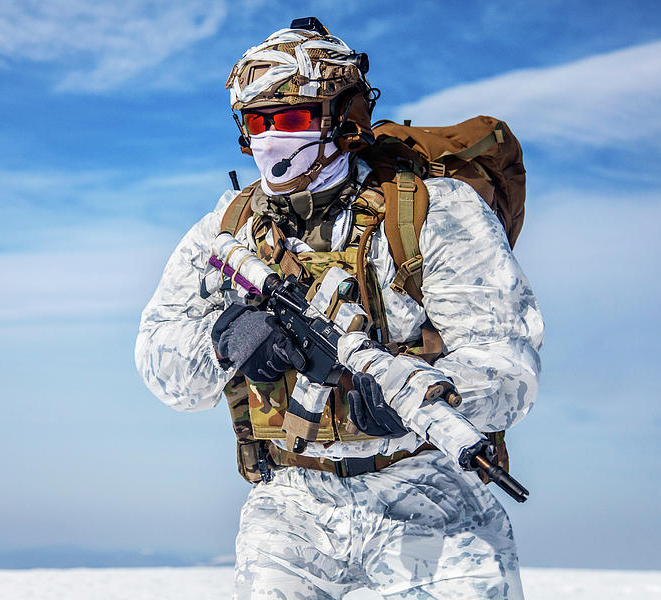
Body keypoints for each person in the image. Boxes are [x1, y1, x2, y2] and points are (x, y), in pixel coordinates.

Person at [136, 18, 543, 600]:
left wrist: (424, 394)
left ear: (341, 119)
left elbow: (511, 367)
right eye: (258, 122)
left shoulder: (436, 214)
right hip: (291, 505)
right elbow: (161, 369)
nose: (273, 137)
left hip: (429, 493)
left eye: (292, 118)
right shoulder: (223, 234)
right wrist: (223, 339)